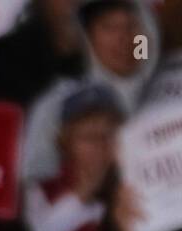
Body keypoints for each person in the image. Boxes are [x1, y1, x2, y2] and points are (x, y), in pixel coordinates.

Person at [21, 0, 160, 183]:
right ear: (88, 37)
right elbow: (34, 184)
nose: (124, 38)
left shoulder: (175, 93)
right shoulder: (56, 104)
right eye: (108, 27)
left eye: (132, 26)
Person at [24, 84, 124, 231]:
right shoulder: (39, 191)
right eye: (89, 137)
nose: (100, 145)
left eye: (108, 135)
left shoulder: (129, 188)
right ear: (65, 142)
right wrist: (84, 192)